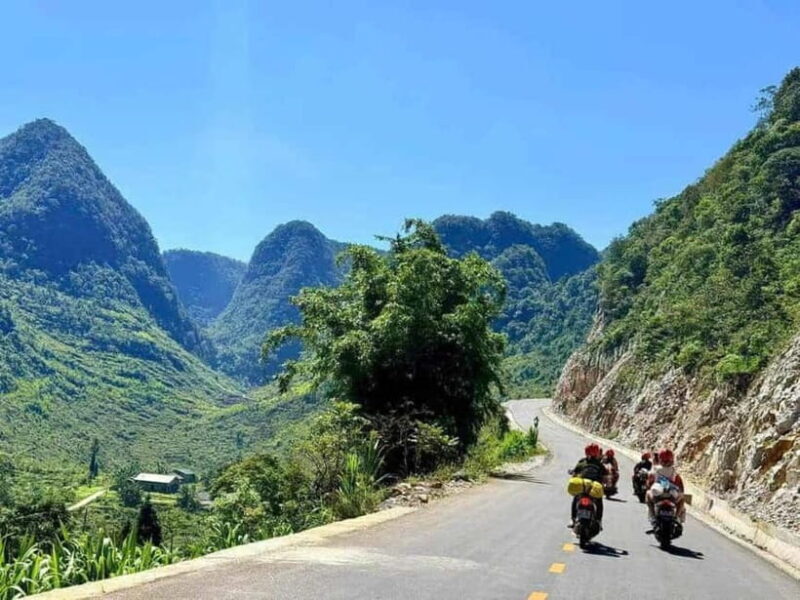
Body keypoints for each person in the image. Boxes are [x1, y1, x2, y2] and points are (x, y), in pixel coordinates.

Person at [569, 443, 605, 528]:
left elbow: (574, 472)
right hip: (593, 488)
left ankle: (573, 519)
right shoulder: (599, 464)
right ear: (597, 453)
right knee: (599, 502)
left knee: (575, 499)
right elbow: (605, 474)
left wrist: (573, 473)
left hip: (582, 487)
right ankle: (599, 521)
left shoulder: (582, 462)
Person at [646, 448, 685, 524]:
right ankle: (677, 517)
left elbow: (649, 482)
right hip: (672, 496)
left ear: (660, 459)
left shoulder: (655, 469)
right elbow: (680, 487)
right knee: (682, 498)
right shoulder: (674, 472)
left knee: (647, 494)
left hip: (658, 497)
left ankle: (652, 515)